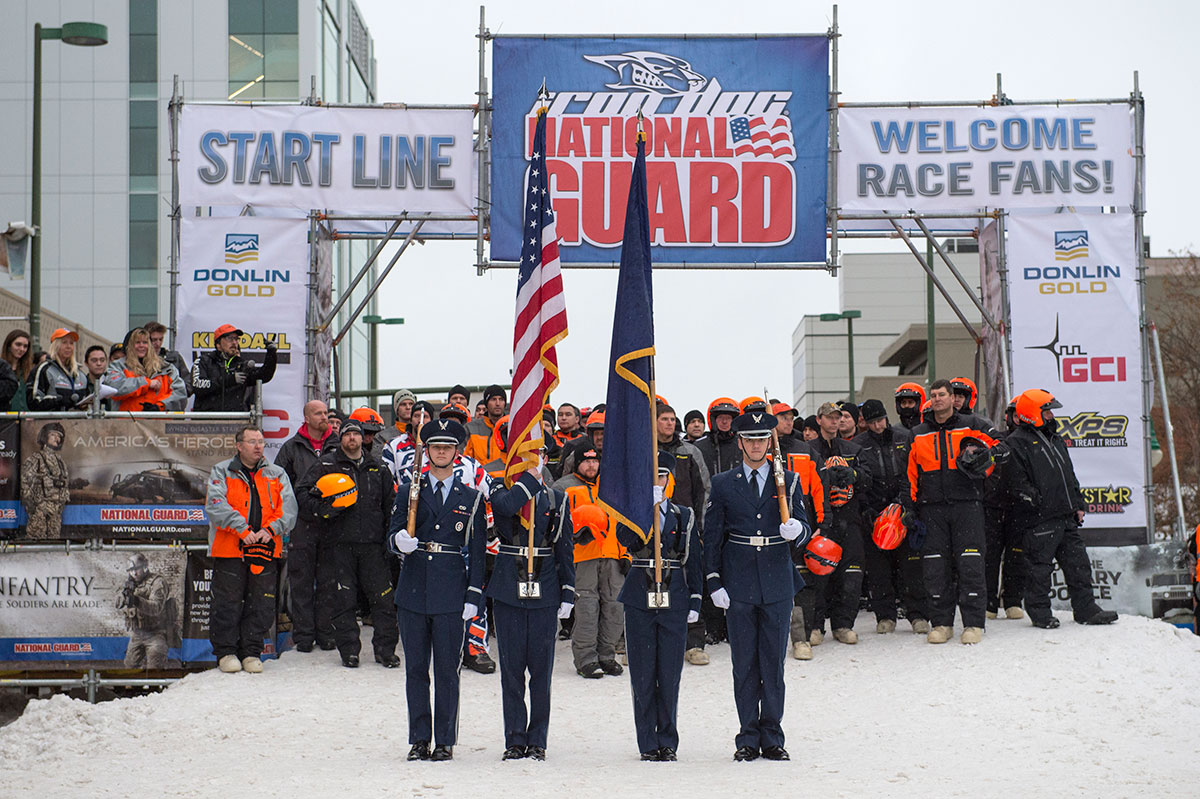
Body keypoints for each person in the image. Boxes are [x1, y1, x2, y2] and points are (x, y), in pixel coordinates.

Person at [704, 410, 811, 762]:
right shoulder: (722, 483)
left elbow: (805, 525)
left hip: (777, 581)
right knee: (744, 664)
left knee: (773, 664)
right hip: (739, 582)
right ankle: (747, 736)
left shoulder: (789, 481)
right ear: (739, 442)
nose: (755, 445)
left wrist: (798, 531)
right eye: (749, 439)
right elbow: (713, 536)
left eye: (761, 439)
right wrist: (714, 580)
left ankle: (773, 735)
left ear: (770, 442)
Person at [388, 418, 487, 762]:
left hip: (450, 591)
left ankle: (444, 739)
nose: (441, 451)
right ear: (426, 451)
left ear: (457, 453)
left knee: (447, 670)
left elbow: (477, 551)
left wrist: (474, 594)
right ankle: (419, 739)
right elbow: (392, 534)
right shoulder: (408, 491)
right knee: (416, 669)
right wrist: (398, 542)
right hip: (413, 589)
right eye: (435, 446)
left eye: (447, 447)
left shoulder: (472, 498)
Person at [1003, 389, 1118, 629]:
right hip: (1040, 519)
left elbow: (1069, 475)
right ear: (1033, 413)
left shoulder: (1055, 438)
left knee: (1079, 565)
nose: (1051, 415)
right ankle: (1040, 613)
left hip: (1066, 516)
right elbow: (1016, 483)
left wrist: (1078, 504)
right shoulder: (1015, 443)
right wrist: (1037, 502)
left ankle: (1086, 609)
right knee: (1039, 569)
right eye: (1046, 411)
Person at [615, 451, 703, 762]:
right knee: (642, 672)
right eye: (653, 477)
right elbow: (625, 539)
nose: (658, 482)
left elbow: (692, 559)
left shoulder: (683, 514)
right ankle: (647, 742)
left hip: (674, 594)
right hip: (640, 593)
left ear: (669, 480)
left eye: (662, 477)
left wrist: (695, 597)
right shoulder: (632, 512)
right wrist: (643, 509)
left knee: (669, 672)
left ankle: (668, 739)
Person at [900, 379, 1001, 645]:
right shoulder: (917, 432)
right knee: (935, 567)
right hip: (931, 510)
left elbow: (1000, 448)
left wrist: (985, 460)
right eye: (933, 395)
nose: (937, 399)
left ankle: (973, 624)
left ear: (952, 397)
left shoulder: (972, 425)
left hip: (967, 505)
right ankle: (942, 623)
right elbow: (909, 475)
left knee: (970, 565)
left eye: (942, 394)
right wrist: (909, 507)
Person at [487, 465, 575, 761]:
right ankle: (514, 738)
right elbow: (505, 507)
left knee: (541, 673)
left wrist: (568, 590)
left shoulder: (557, 499)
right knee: (511, 671)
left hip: (545, 585)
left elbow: (565, 547)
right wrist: (527, 483)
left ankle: (537, 739)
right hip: (509, 586)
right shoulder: (500, 488)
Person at [296, 419, 399, 669]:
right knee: (343, 601)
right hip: (338, 546)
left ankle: (385, 651)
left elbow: (391, 505)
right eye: (347, 434)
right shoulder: (327, 464)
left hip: (374, 547)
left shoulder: (378, 467)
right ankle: (349, 651)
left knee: (383, 600)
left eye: (356, 434)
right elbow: (302, 494)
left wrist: (390, 539)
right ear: (340, 438)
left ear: (364, 438)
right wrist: (325, 510)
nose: (351, 438)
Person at [204, 426, 297, 674]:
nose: (258, 446)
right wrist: (243, 530)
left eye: (261, 442)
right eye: (252, 441)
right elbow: (215, 505)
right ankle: (226, 653)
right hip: (230, 549)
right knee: (227, 602)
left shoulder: (277, 474)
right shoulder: (222, 471)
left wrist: (270, 530)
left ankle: (251, 652)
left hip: (265, 550)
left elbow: (289, 509)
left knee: (262, 604)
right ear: (239, 446)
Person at [853, 399, 930, 635]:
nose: (878, 426)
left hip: (903, 510)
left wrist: (906, 506)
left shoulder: (903, 436)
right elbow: (861, 482)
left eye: (881, 420)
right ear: (865, 422)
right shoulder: (858, 445)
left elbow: (913, 472)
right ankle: (884, 615)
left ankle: (917, 614)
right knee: (879, 570)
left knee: (911, 567)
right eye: (873, 422)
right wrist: (867, 509)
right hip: (875, 512)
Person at [553, 446, 625, 679]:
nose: (591, 466)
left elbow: (623, 522)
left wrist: (625, 554)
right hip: (582, 558)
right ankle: (586, 659)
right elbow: (555, 524)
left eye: (595, 462)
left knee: (615, 607)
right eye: (586, 462)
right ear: (577, 463)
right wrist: (573, 535)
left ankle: (607, 655)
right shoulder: (563, 487)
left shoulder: (612, 485)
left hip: (613, 555)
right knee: (587, 608)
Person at [807, 402, 872, 646]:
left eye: (838, 417)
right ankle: (815, 626)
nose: (834, 421)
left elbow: (869, 478)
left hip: (850, 519)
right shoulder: (809, 450)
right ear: (819, 420)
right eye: (830, 417)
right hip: (821, 520)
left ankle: (844, 624)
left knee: (852, 574)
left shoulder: (853, 449)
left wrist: (854, 475)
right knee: (818, 574)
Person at [274, 399, 335, 652]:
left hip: (332, 522)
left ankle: (326, 633)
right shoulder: (291, 447)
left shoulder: (337, 444)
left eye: (325, 413)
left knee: (329, 581)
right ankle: (304, 635)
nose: (324, 417)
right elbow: (277, 482)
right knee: (301, 580)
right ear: (307, 418)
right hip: (302, 523)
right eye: (318, 413)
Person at [655, 403, 712, 666]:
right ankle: (657, 640)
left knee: (689, 581)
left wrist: (700, 528)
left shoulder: (690, 451)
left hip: (685, 526)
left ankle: (694, 642)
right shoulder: (645, 451)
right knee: (652, 582)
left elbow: (704, 491)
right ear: (654, 422)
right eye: (663, 419)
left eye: (671, 419)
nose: (669, 423)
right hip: (652, 526)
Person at [192, 324, 277, 412]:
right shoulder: (203, 361)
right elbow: (198, 386)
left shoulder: (241, 364)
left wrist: (271, 353)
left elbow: (264, 375)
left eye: (236, 339)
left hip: (235, 420)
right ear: (218, 344)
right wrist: (230, 379)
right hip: (206, 420)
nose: (234, 342)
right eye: (230, 338)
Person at [104, 328, 186, 412]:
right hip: (128, 422)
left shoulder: (166, 368)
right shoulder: (118, 366)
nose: (141, 346)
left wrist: (160, 406)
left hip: (160, 422)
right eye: (137, 342)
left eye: (145, 342)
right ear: (129, 346)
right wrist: (146, 383)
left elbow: (180, 393)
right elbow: (114, 388)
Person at [117, 553, 170, 669]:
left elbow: (156, 607)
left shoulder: (157, 582)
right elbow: (117, 603)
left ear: (145, 567)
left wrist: (136, 600)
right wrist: (124, 594)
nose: (134, 573)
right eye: (131, 570)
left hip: (156, 633)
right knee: (129, 668)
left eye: (137, 569)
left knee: (155, 668)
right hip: (137, 633)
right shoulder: (131, 582)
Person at [21, 421, 70, 539]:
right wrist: (35, 506)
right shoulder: (36, 459)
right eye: (53, 434)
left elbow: (65, 484)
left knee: (53, 543)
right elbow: (25, 483)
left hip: (56, 511)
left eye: (59, 436)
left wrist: (62, 502)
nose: (56, 438)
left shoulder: (60, 461)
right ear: (45, 436)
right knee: (36, 541)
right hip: (40, 511)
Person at [29, 329, 90, 411]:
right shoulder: (44, 369)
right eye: (64, 342)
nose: (68, 346)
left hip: (77, 422)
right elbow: (34, 402)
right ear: (55, 345)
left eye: (71, 343)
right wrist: (60, 400)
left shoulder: (80, 374)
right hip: (51, 422)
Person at [145, 321, 193, 406]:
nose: (158, 343)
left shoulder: (174, 357)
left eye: (161, 339)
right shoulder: (139, 360)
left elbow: (188, 381)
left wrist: (176, 393)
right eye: (154, 340)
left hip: (171, 409)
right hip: (147, 406)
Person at [695, 397, 740, 477]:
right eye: (720, 418)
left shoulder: (742, 445)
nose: (724, 422)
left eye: (728, 418)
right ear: (713, 420)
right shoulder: (700, 446)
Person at [465, 384, 507, 464]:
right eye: (493, 399)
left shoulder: (512, 427)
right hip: (479, 475)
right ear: (486, 404)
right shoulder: (471, 428)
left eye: (501, 399)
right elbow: (465, 461)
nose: (498, 403)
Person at [1, 329, 31, 412]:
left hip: (25, 419)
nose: (22, 349)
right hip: (5, 419)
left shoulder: (28, 371)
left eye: (25, 346)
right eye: (18, 344)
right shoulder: (2, 369)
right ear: (9, 345)